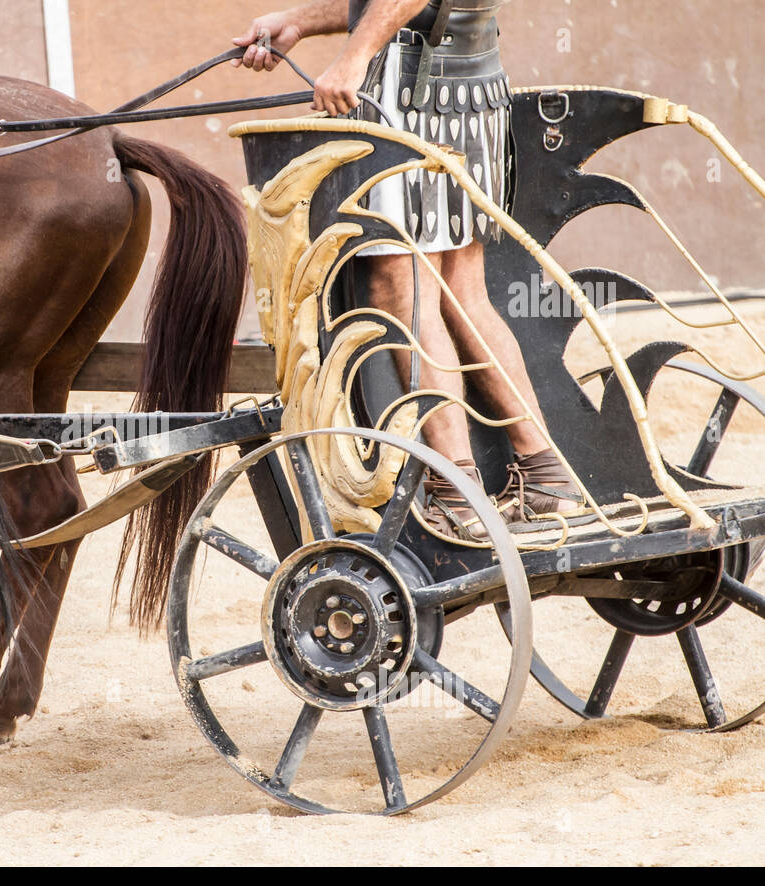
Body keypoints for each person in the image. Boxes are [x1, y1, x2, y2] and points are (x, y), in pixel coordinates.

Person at [234, 1, 581, 538]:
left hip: (410, 90)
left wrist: (354, 58)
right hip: (467, 82)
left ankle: (457, 494)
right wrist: (300, 21)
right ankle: (544, 474)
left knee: (404, 290)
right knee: (462, 291)